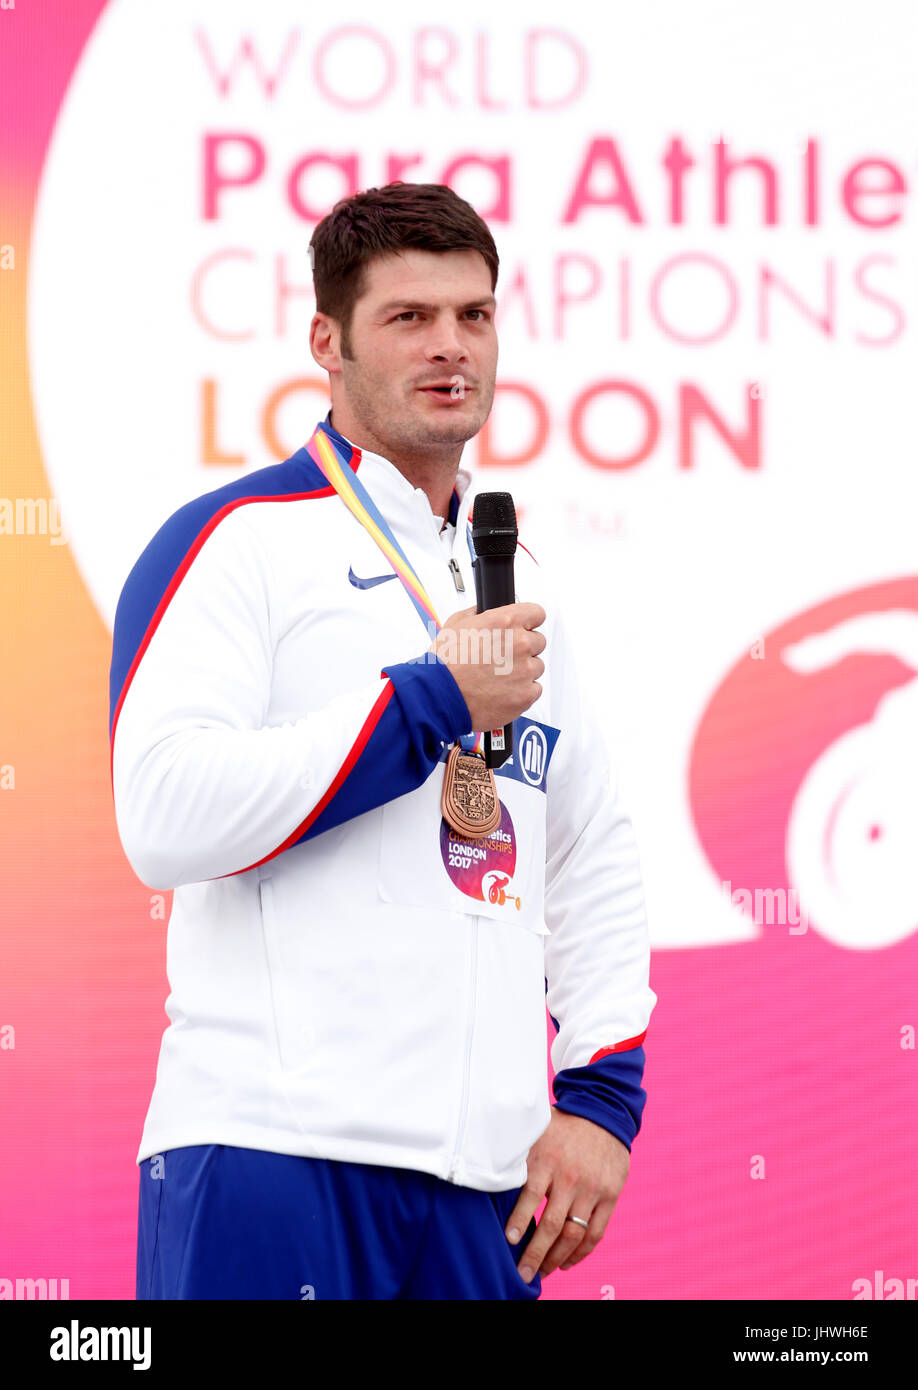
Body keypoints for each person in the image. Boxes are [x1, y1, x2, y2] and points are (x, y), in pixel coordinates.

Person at [110, 181, 657, 1301]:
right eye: (408, 318)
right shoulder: (235, 541)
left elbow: (591, 854)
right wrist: (429, 703)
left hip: (482, 1194)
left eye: (475, 315)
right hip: (271, 1152)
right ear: (328, 340)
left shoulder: (521, 585)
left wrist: (600, 1102)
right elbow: (164, 814)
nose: (451, 347)